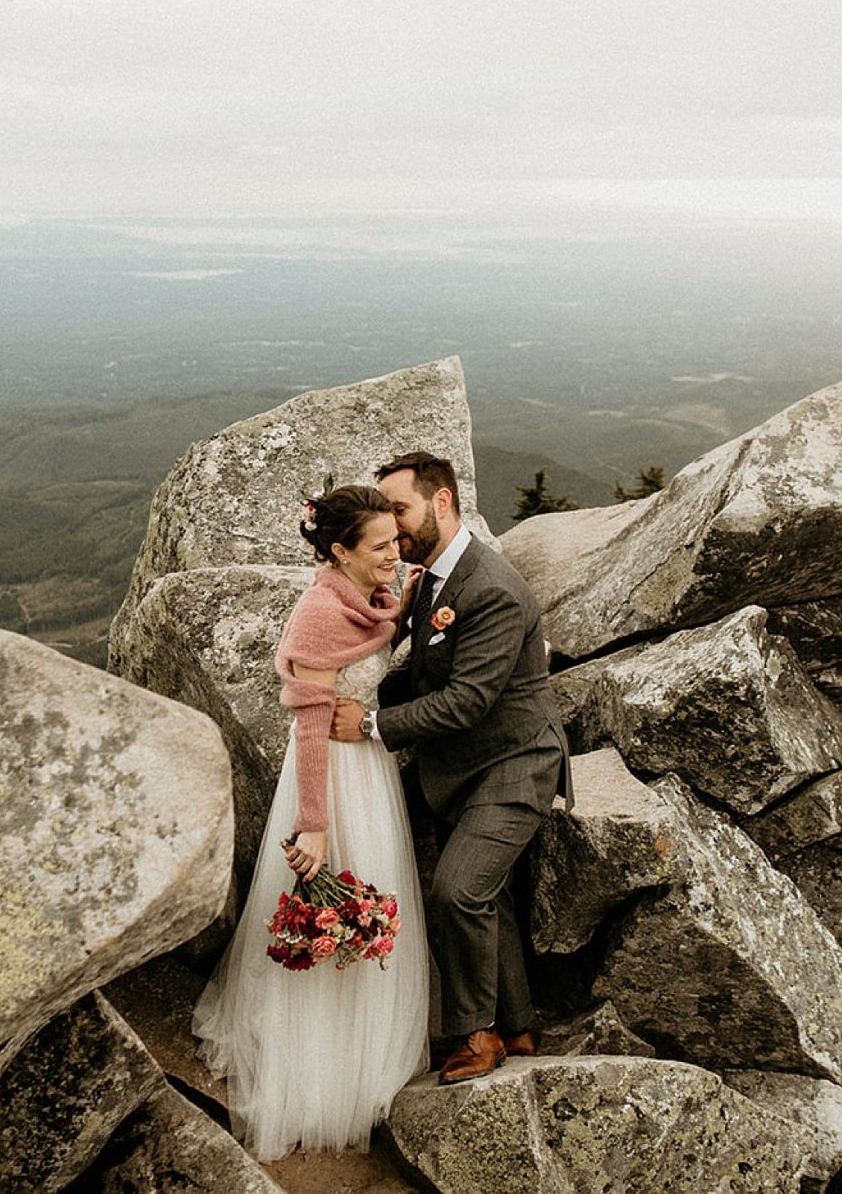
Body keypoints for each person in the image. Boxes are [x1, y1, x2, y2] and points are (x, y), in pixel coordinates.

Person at [192, 485, 432, 1161]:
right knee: (336, 913)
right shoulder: (317, 619)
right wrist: (315, 826)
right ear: (338, 551)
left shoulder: (370, 599)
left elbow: (387, 612)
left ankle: (369, 1051)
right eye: (380, 545)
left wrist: (413, 590)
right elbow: (308, 731)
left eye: (395, 541)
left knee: (375, 906)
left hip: (372, 773)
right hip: (330, 782)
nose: (395, 554)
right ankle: (324, 1077)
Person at [331, 451, 573, 1084]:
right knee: (476, 888)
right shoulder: (432, 579)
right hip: (462, 766)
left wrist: (369, 726)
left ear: (442, 503)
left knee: (459, 889)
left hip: (515, 765)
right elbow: (422, 672)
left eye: (401, 509)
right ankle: (518, 1027)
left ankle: (477, 1034)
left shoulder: (491, 587)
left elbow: (466, 702)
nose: (393, 526)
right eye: (384, 514)